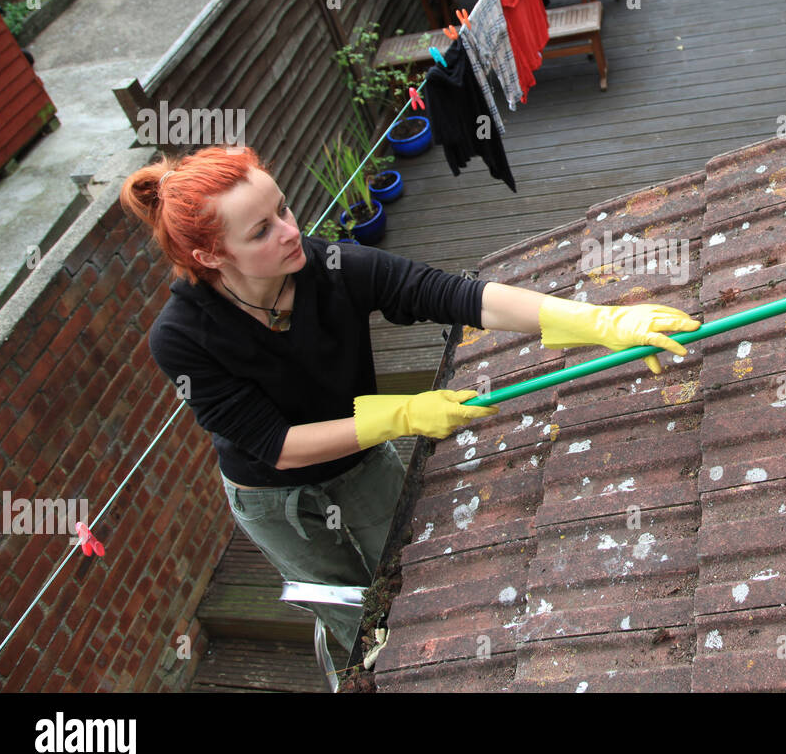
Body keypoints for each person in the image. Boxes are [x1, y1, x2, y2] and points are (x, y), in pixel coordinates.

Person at [119, 145, 700, 654]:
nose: (291, 231)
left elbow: (456, 296)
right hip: (273, 496)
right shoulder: (182, 337)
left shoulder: (332, 268)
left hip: (361, 460)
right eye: (261, 232)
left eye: (283, 209)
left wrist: (600, 321)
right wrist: (401, 414)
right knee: (348, 604)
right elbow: (277, 446)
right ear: (210, 258)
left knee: (405, 568)